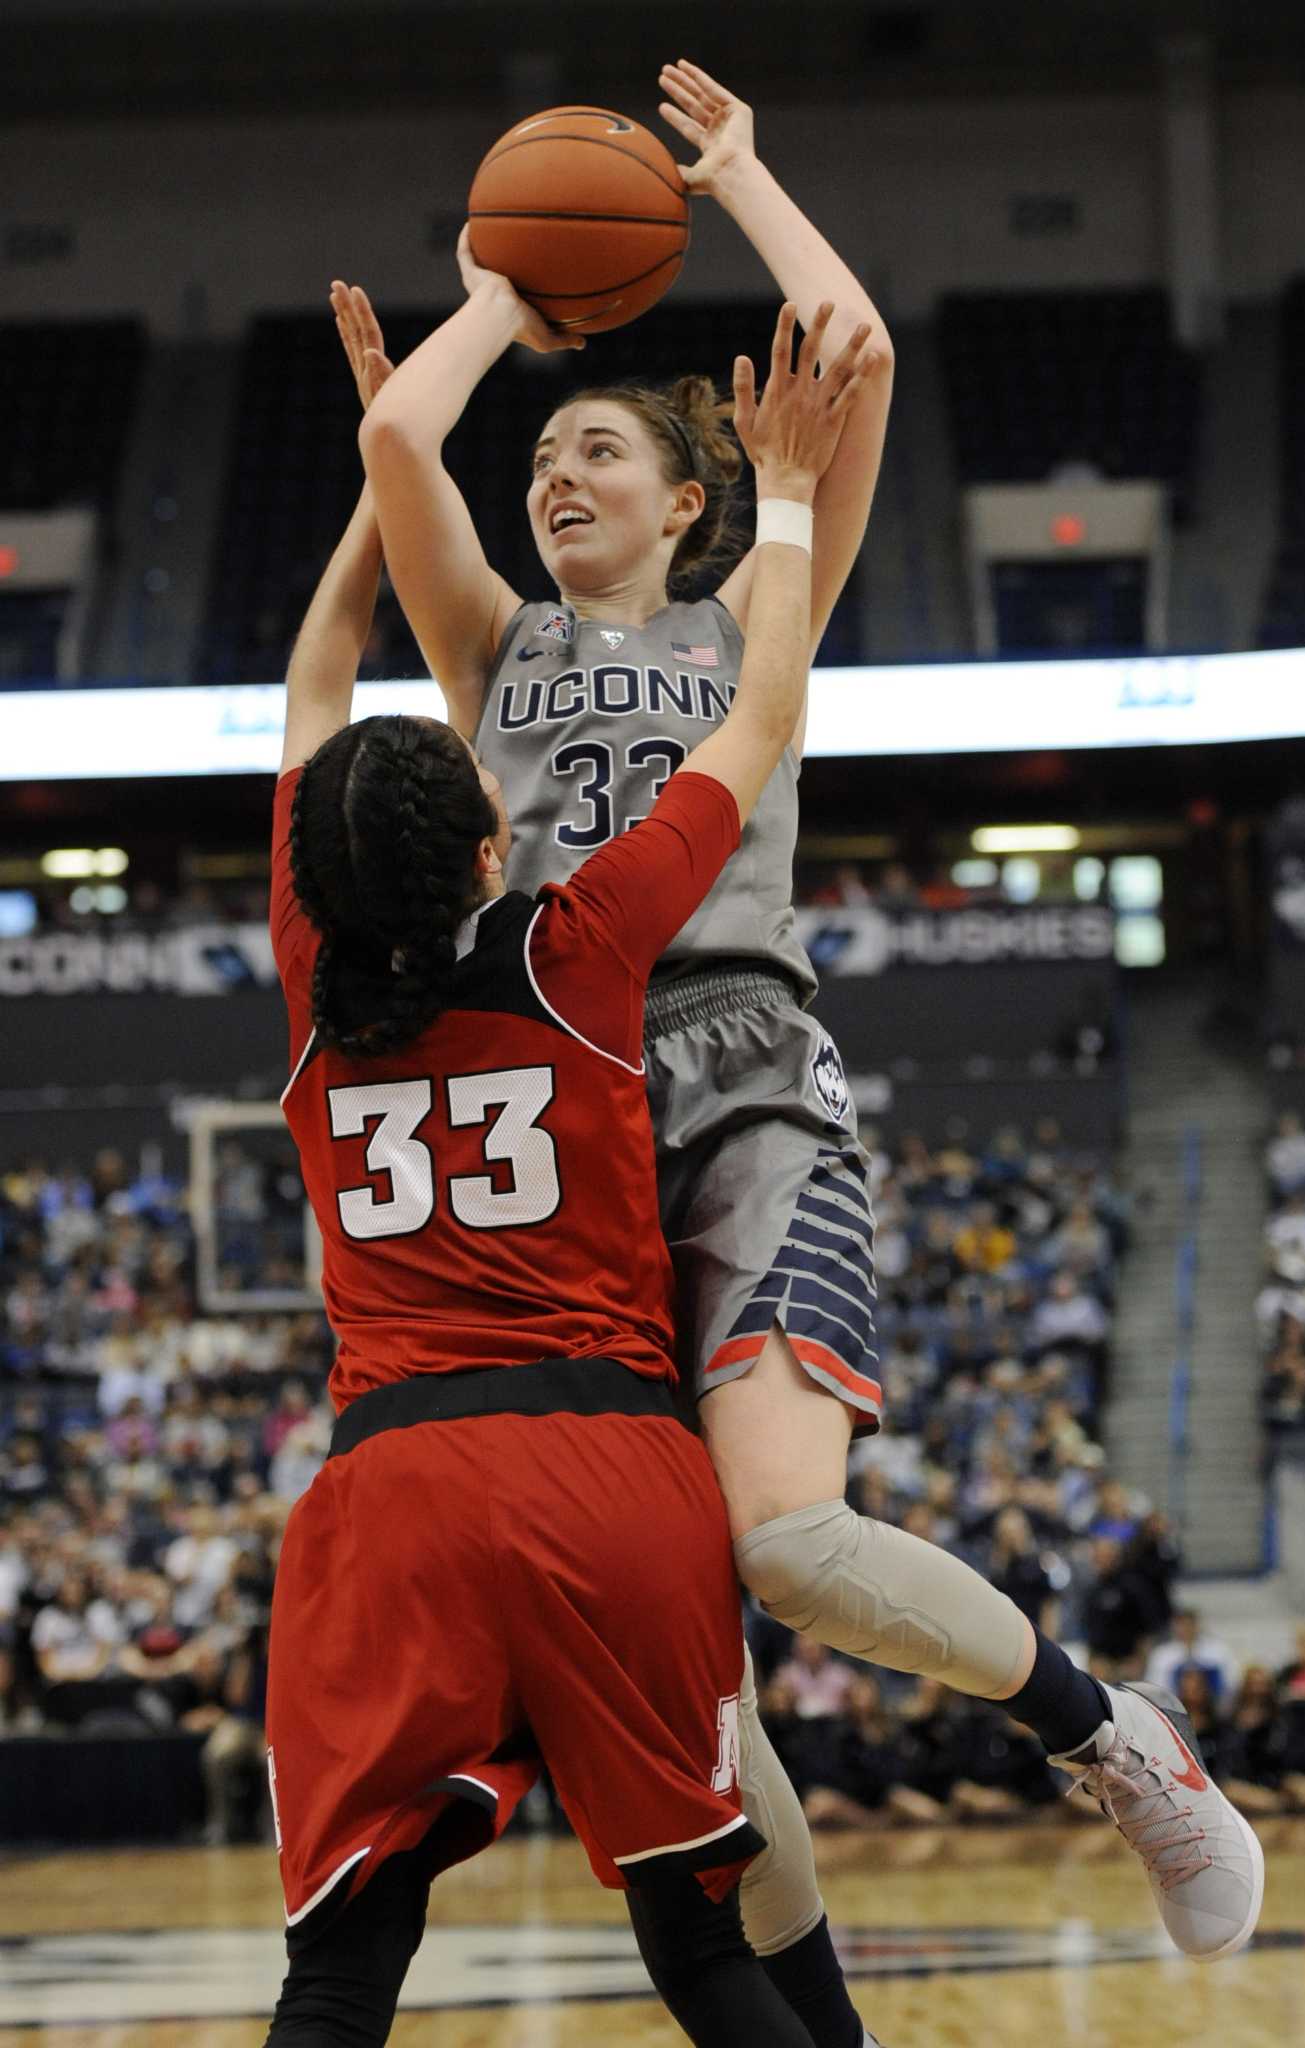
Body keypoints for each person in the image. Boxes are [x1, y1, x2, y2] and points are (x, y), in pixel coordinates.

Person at [348, 58, 1264, 1972]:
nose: (553, 475)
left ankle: (1121, 1746)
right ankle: (809, 2015)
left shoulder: (751, 612)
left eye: (596, 453)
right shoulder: (495, 647)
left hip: (748, 1080)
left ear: (690, 500)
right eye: (547, 461)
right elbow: (402, 456)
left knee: (781, 1548)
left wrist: (746, 181)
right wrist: (502, 301)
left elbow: (851, 353)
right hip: (565, 1116)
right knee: (682, 1652)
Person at [263, 301, 882, 2048]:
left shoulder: (314, 995)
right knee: (698, 1947)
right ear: (491, 846)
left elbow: (318, 692)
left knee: (337, 1973)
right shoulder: (578, 953)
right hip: (610, 1471)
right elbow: (756, 720)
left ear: (305, 878)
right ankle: (1084, 1723)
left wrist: (393, 484)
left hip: (392, 1487)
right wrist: (785, 520)